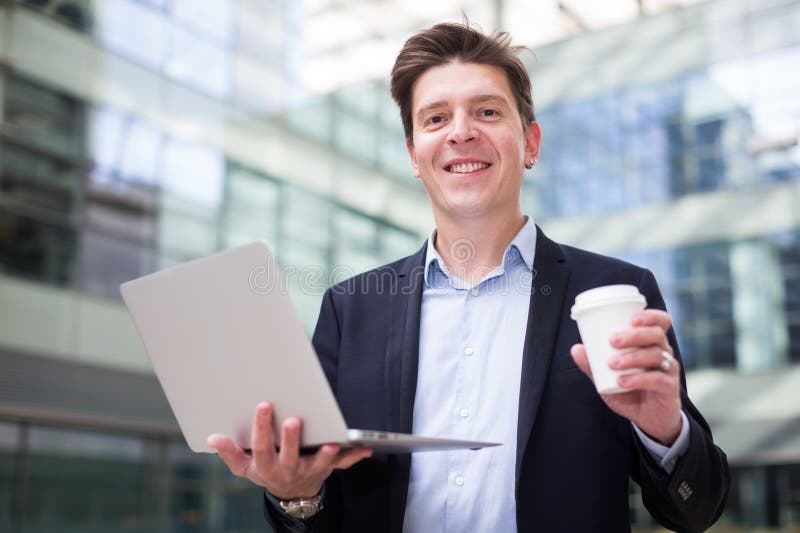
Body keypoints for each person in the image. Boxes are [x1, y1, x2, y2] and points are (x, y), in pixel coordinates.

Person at [208, 22, 729, 532]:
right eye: (435, 119)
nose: (461, 132)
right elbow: (323, 505)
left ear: (530, 143)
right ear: (415, 155)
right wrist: (294, 493)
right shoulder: (352, 308)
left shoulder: (614, 293)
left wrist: (664, 428)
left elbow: (696, 510)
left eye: (486, 111)